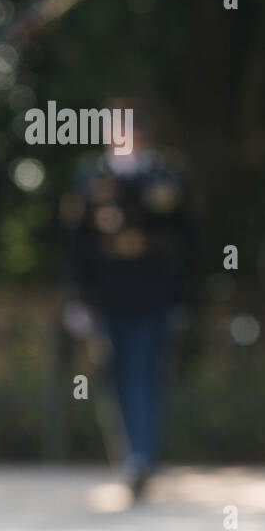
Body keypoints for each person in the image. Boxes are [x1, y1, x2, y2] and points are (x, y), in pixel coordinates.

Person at [60, 101, 194, 502]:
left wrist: (181, 298)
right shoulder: (91, 178)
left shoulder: (167, 174)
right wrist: (77, 298)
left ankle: (142, 458)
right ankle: (128, 455)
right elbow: (76, 244)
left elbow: (186, 240)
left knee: (145, 375)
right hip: (108, 293)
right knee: (115, 378)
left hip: (153, 292)